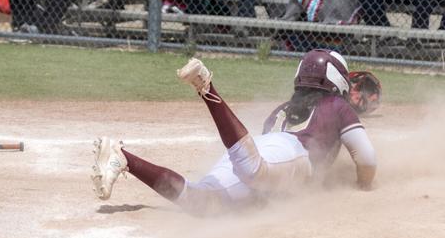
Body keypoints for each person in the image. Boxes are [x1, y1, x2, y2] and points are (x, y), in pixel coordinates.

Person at [92, 51, 378, 215]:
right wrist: (362, 187)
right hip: (289, 152)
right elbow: (366, 158)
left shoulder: (283, 108)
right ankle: (207, 88)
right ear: (337, 79)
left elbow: (274, 177)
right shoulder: (337, 104)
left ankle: (123, 157)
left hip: (262, 146)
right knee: (255, 170)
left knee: (200, 202)